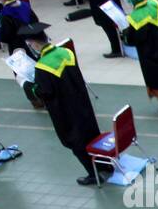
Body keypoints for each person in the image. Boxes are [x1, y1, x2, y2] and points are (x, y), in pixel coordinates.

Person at [20, 22, 103, 184]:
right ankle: (104, 166)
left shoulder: (42, 67)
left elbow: (43, 92)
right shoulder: (66, 52)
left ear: (36, 44)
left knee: (77, 143)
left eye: (30, 44)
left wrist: (25, 84)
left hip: (66, 112)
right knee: (91, 135)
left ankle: (93, 174)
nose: (31, 47)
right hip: (82, 104)